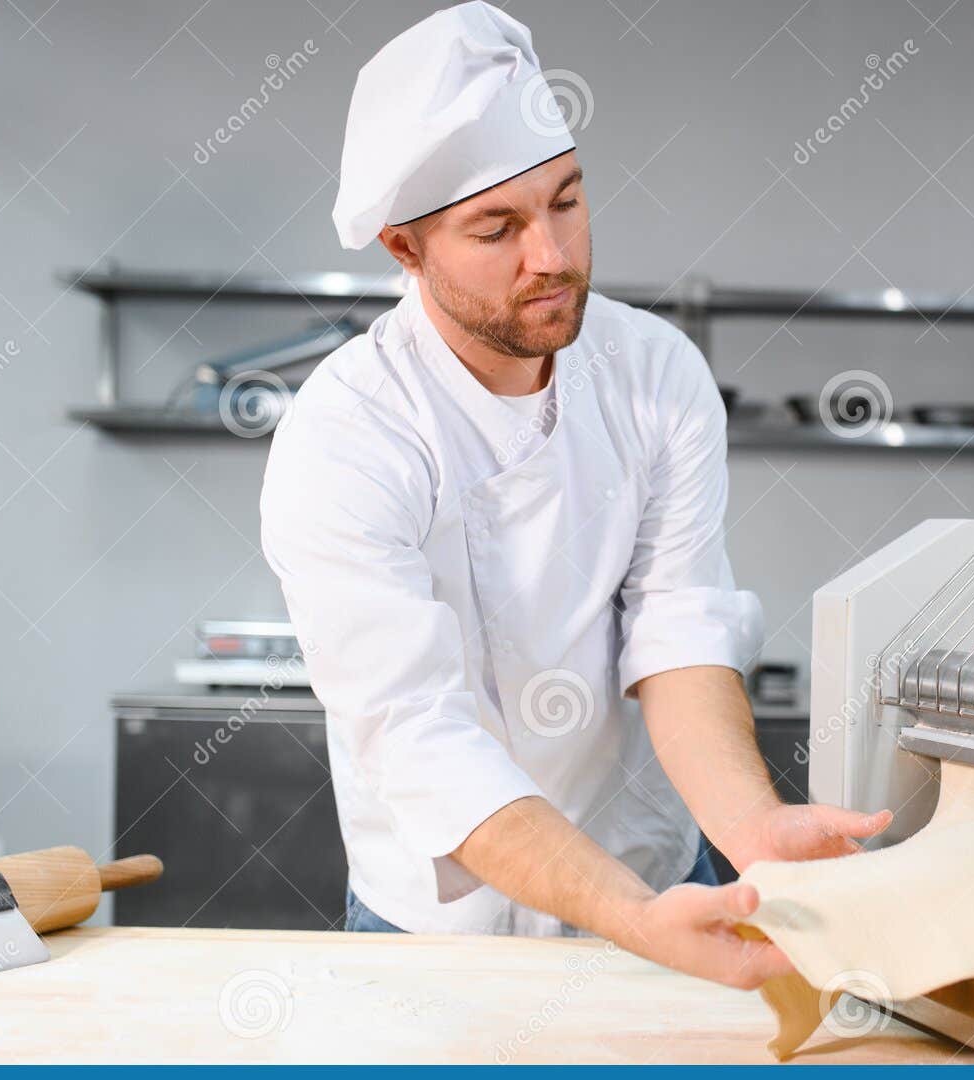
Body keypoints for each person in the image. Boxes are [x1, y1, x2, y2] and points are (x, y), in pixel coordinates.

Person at [259, 2, 889, 991]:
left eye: (566, 200)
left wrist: (753, 830)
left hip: (650, 862)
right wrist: (632, 919)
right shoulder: (346, 435)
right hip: (437, 928)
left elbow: (677, 628)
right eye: (496, 228)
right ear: (404, 250)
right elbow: (417, 731)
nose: (550, 256)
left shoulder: (655, 374)